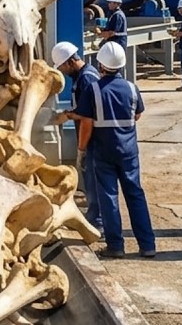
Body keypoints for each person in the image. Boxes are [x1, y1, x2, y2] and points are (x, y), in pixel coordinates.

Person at [76, 41, 156, 258]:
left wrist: (81, 150)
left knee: (109, 197)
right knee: (135, 194)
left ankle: (116, 246)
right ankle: (148, 245)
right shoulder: (132, 87)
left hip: (103, 152)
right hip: (129, 151)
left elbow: (86, 123)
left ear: (100, 64)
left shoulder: (94, 89)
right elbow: (137, 114)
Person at [49, 41, 104, 232]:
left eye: (62, 67)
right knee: (91, 180)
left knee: (93, 181)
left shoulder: (86, 79)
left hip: (93, 136)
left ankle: (96, 222)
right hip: (89, 135)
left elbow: (88, 116)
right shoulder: (81, 77)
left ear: (71, 61)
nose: (62, 71)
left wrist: (81, 147)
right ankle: (94, 218)